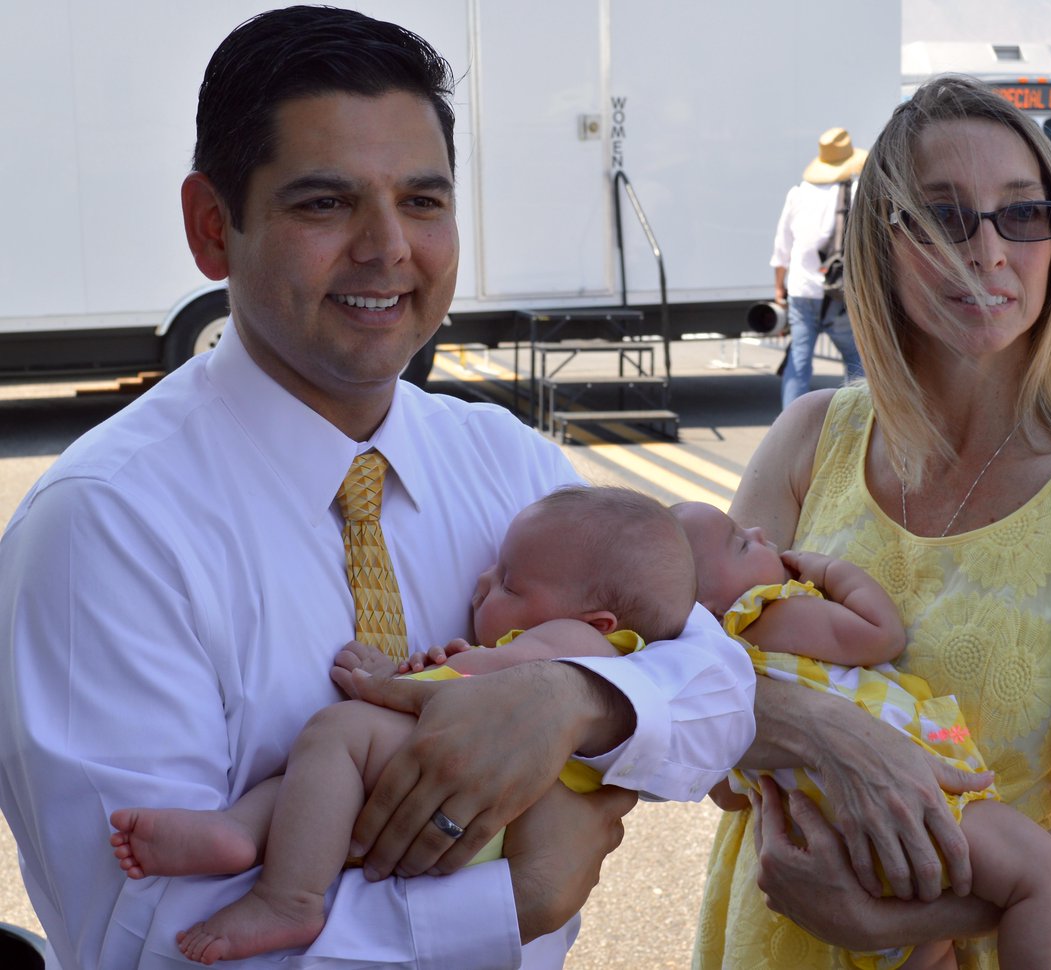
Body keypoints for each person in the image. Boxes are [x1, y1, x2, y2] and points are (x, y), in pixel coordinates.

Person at [0, 8, 756, 970]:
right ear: (209, 228)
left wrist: (575, 702)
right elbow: (155, 944)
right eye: (325, 203)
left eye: (424, 201)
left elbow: (723, 688)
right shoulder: (103, 530)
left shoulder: (506, 461)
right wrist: (517, 899)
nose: (389, 246)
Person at [693, 74, 1051, 969]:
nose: (988, 250)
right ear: (881, 243)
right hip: (778, 931)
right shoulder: (812, 439)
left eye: (1021, 213)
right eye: (944, 215)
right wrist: (814, 734)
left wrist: (909, 918)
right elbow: (688, 691)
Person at [108, 486, 696, 965]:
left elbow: (494, 691)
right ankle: (242, 832)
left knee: (335, 734)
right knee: (315, 775)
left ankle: (289, 898)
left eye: (510, 584)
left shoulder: (580, 642)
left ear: (596, 618)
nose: (481, 584)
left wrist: (383, 680)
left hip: (489, 805)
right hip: (489, 813)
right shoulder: (583, 640)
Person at [673, 501, 1051, 969]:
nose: (760, 532)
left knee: (932, 956)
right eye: (742, 543)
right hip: (915, 805)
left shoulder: (714, 677)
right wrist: (833, 572)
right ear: (711, 609)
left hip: (847, 848)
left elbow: (727, 794)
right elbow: (881, 636)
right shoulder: (768, 618)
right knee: (1046, 875)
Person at [772, 126, 868, 408]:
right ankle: (859, 423)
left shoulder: (798, 193)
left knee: (798, 361)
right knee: (855, 363)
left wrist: (778, 288)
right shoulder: (857, 189)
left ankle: (789, 426)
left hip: (801, 290)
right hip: (840, 292)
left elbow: (782, 247)